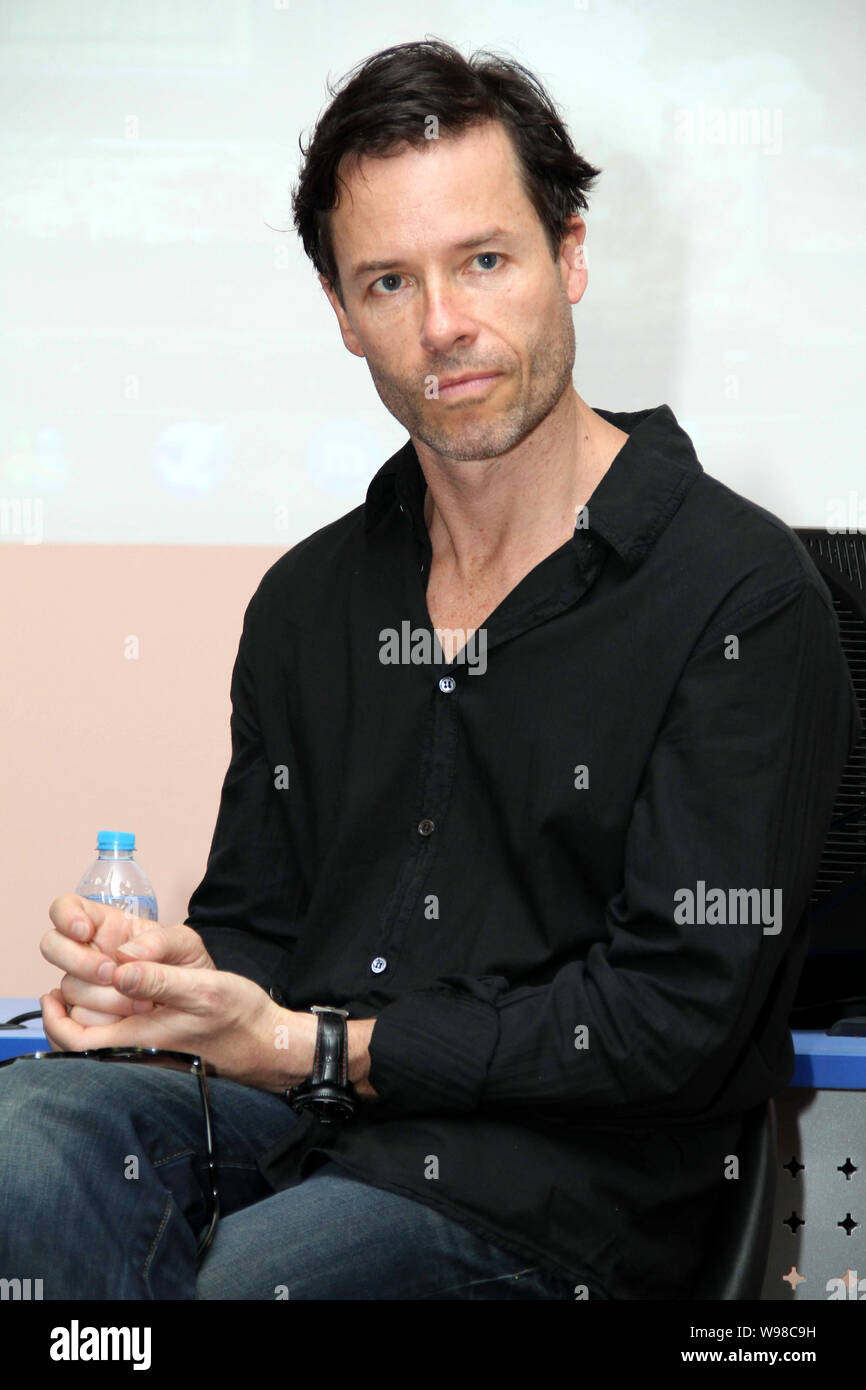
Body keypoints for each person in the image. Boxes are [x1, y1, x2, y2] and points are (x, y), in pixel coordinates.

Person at [0, 38, 860, 1302]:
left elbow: (668, 1023)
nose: (443, 324)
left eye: (483, 261)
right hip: (304, 1125)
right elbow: (262, 930)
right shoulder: (309, 602)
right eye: (389, 281)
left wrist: (318, 1044)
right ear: (343, 316)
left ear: (569, 254)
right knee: (28, 1147)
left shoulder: (737, 592)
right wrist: (172, 988)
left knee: (264, 1278)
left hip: (571, 1189)